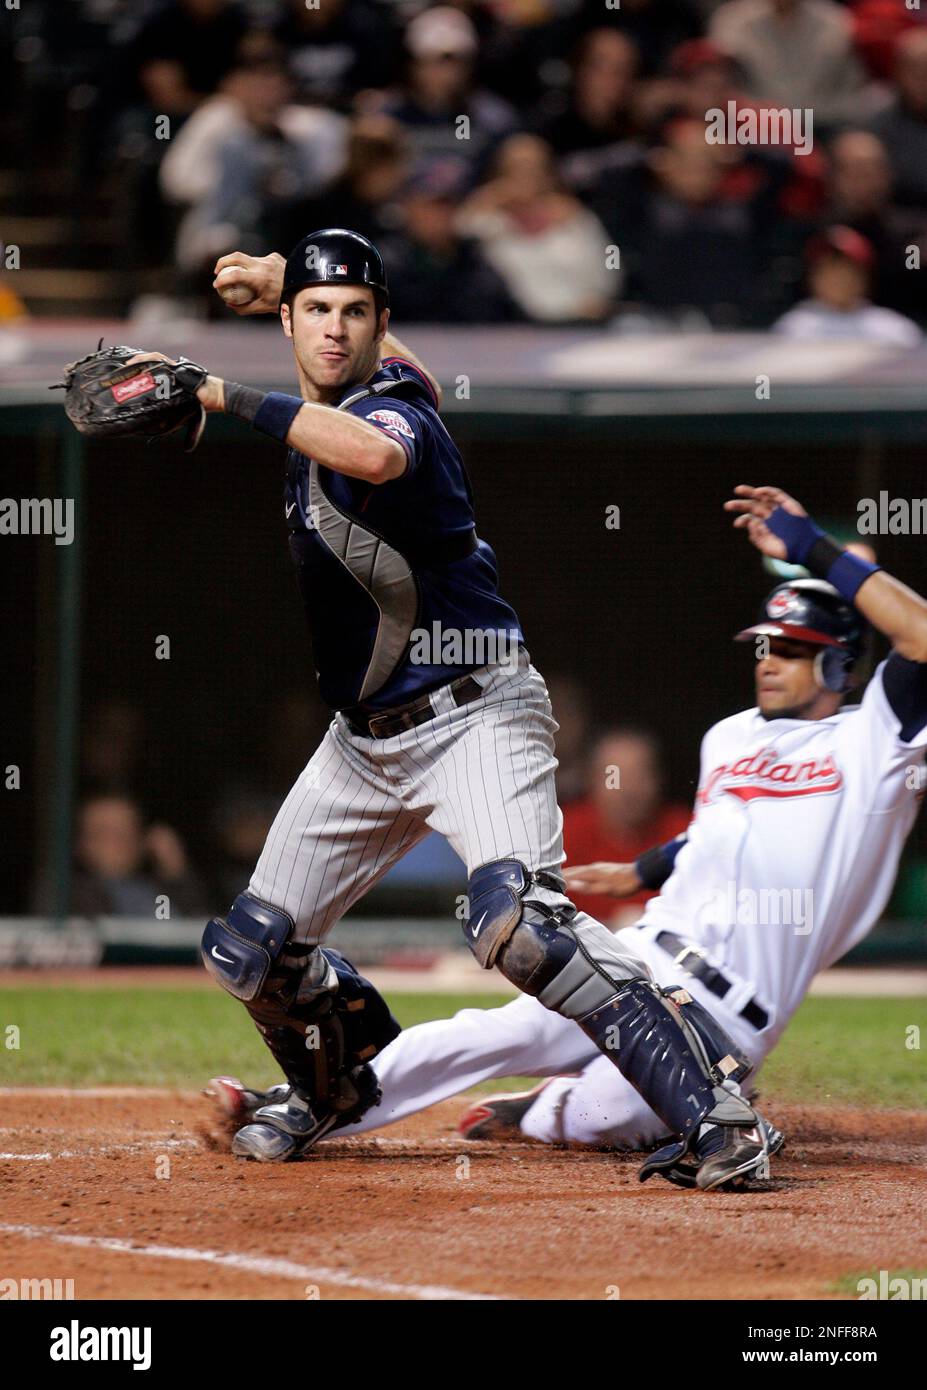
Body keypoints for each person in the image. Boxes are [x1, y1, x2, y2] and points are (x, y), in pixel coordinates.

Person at [149, 228, 782, 1188]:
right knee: (252, 953)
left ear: (381, 327)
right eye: (316, 311)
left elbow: (371, 454)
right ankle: (327, 1091)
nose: (335, 329)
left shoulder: (396, 414)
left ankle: (719, 1114)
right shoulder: (344, 391)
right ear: (285, 320)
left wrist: (218, 391)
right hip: (362, 744)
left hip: (473, 712)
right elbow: (339, 397)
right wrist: (291, 279)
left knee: (520, 926)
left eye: (356, 312)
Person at [212, 483, 927, 1154]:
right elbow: (728, 833)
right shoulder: (731, 736)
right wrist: (642, 869)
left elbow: (918, 635)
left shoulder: (879, 742)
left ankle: (545, 1111)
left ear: (840, 670)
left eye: (795, 651)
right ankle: (304, 1100)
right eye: (766, 646)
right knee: (479, 1034)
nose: (769, 661)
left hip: (731, 1010)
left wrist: (809, 546)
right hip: (644, 956)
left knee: (598, 1114)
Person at [561, 728, 691, 927]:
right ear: (591, 780)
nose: (628, 789)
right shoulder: (560, 834)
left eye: (640, 775)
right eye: (614, 777)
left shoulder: (686, 832)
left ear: (659, 780)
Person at [773, 224, 922, 345]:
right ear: (812, 278)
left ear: (864, 278)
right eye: (829, 272)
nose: (838, 280)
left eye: (846, 272)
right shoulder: (793, 328)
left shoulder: (894, 330)